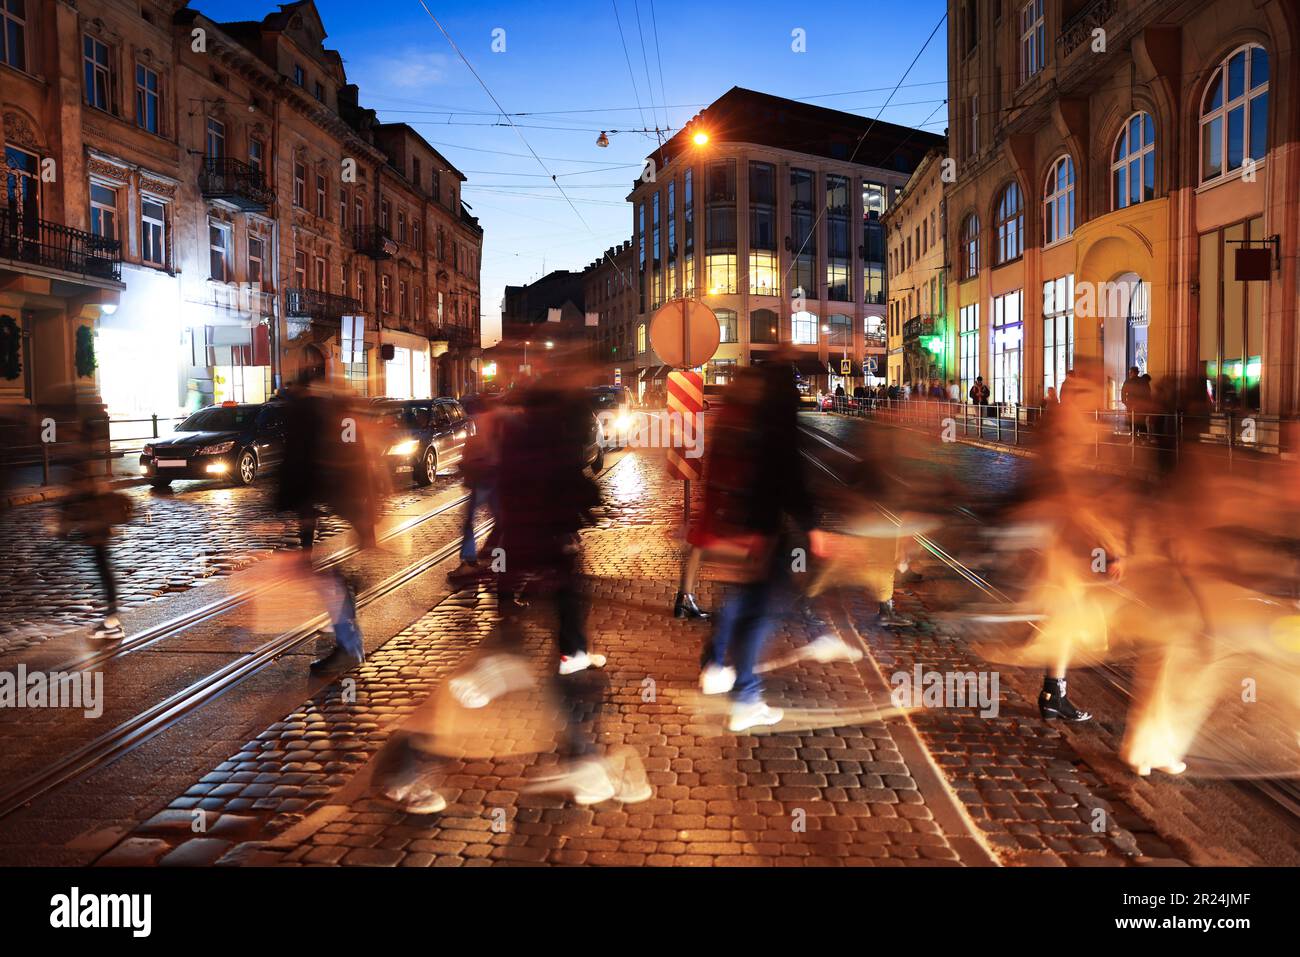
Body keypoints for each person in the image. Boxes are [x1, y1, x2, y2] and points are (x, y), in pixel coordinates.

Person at [696, 358, 828, 732]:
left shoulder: (733, 414)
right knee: (763, 609)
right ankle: (745, 696)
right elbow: (789, 478)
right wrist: (812, 527)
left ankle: (715, 664)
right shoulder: (773, 421)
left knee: (739, 601)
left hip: (726, 528)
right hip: (758, 532)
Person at [276, 350, 378, 673]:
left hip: (342, 504)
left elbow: (315, 464)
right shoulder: (328, 414)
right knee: (332, 577)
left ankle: (348, 643)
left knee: (333, 577)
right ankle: (346, 638)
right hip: (342, 505)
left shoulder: (318, 415)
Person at [447, 393, 505, 581]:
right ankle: (496, 563)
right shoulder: (498, 419)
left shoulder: (484, 422)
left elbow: (481, 450)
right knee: (500, 520)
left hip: (485, 477)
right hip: (492, 476)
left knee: (471, 521)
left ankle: (473, 562)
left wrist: (468, 462)